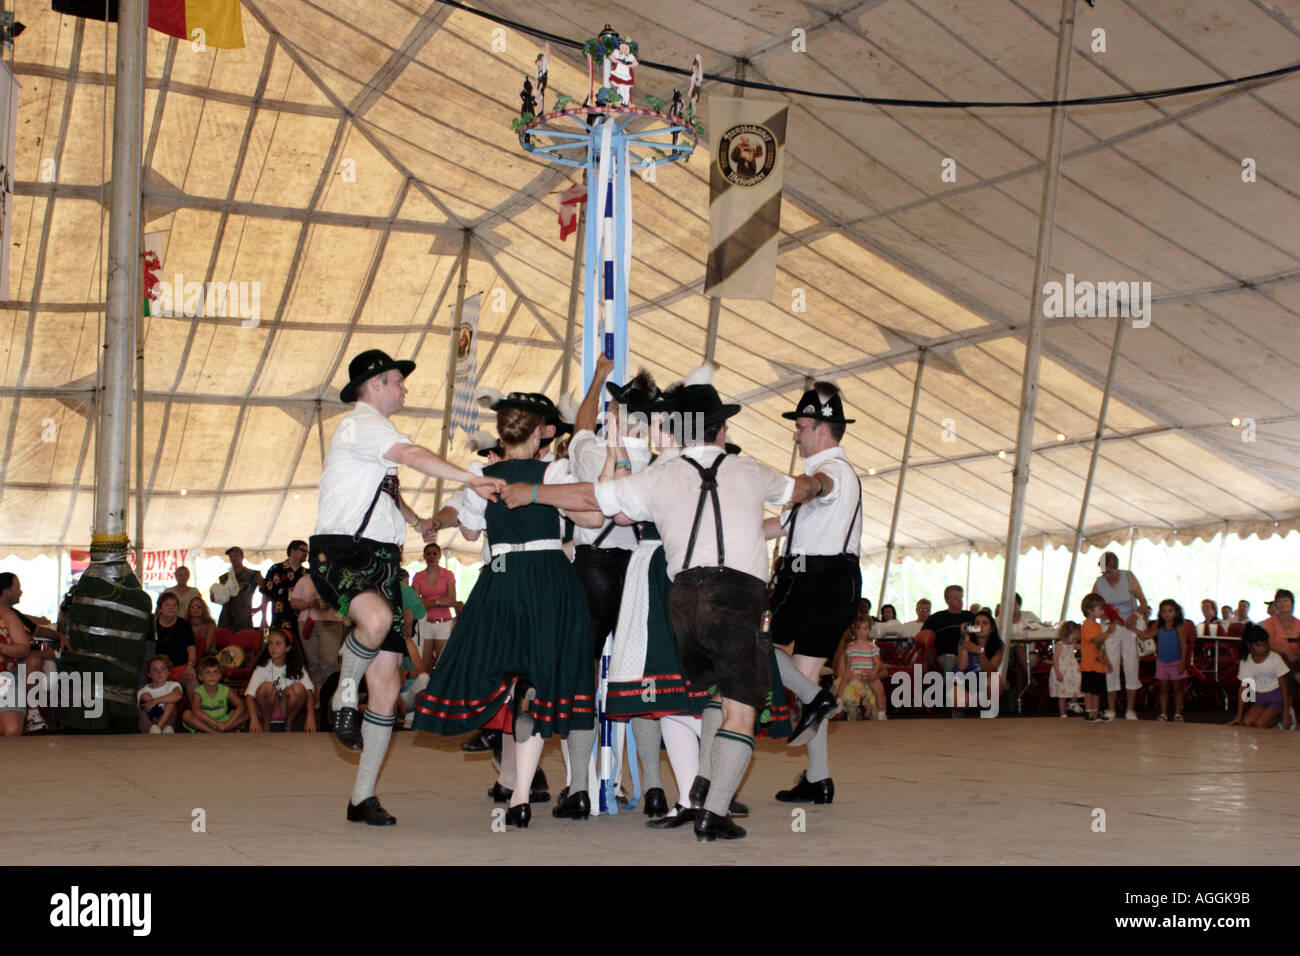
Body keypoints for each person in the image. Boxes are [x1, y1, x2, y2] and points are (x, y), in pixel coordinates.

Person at [503, 368, 827, 841]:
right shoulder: (747, 468)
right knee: (738, 708)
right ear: (719, 428)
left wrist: (534, 492)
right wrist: (822, 484)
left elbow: (599, 502)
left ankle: (676, 786)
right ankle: (712, 809)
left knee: (685, 695)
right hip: (732, 595)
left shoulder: (658, 475)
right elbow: (799, 490)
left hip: (677, 596)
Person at [311, 349, 504, 827]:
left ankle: (362, 798)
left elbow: (386, 490)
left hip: (381, 559)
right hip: (341, 551)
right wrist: (469, 479)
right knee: (374, 622)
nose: (404, 389)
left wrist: (418, 521)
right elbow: (412, 456)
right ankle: (341, 694)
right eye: (398, 381)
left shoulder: (373, 437)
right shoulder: (362, 425)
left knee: (389, 682)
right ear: (374, 383)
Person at [412, 391, 601, 830]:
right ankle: (521, 794)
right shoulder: (555, 469)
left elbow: (472, 530)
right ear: (542, 432)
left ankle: (515, 785)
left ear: (502, 431)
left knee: (505, 676)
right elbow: (593, 517)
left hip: (500, 578)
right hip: (549, 578)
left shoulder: (482, 472)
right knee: (538, 683)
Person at [552, 355, 660, 821]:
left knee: (581, 674)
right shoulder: (657, 461)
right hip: (642, 568)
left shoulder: (595, 451)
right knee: (642, 678)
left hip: (595, 565)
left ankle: (579, 788)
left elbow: (578, 425)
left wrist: (596, 378)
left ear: (617, 415)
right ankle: (653, 788)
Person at [766, 381, 861, 807]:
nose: (795, 434)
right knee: (802, 682)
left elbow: (819, 486)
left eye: (801, 426)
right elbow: (780, 529)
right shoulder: (825, 478)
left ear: (822, 429)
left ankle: (820, 700)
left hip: (814, 580)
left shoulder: (833, 473)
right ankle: (819, 779)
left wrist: (790, 487)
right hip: (829, 581)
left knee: (754, 648)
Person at [1092, 551, 1149, 720]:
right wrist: (1104, 615)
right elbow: (1092, 604)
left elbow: (1143, 602)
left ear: (1116, 567)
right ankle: (1111, 709)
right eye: (1103, 572)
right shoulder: (1099, 583)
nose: (1106, 575)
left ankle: (1130, 709)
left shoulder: (1128, 577)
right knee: (1111, 666)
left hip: (1130, 626)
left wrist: (1135, 615)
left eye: (1108, 571)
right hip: (1110, 627)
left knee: (1131, 665)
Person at [0, 573, 50, 737]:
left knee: (11, 730)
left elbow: (23, 649)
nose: (21, 592)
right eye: (18, 588)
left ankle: (32, 713)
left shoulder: (8, 615)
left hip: (5, 679)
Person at [245, 629, 315, 734]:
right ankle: (266, 725)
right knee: (267, 687)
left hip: (285, 707)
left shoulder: (297, 667)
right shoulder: (262, 668)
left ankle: (288, 725)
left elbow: (309, 691)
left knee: (299, 688)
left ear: (288, 648)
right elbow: (249, 696)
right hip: (267, 709)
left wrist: (311, 716)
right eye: (270, 643)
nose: (273, 647)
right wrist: (253, 719)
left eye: (278, 643)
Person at [289, 572, 346, 696]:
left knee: (329, 662)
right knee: (312, 661)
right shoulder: (304, 580)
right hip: (307, 623)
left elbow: (347, 600)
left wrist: (331, 602)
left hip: (332, 622)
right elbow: (293, 603)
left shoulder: (337, 578)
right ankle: (318, 694)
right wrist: (309, 604)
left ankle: (329, 694)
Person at [1136, 599, 1191, 722]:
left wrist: (1182, 662)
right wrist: (1133, 629)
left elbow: (1184, 645)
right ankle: (1163, 713)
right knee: (1163, 688)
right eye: (1164, 611)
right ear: (1160, 613)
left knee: (1177, 688)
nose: (1167, 614)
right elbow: (1147, 635)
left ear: (1176, 613)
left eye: (1170, 611)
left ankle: (1177, 713)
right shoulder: (1159, 626)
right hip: (1162, 662)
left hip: (1176, 662)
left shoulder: (1179, 626)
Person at [1229, 625, 1290, 728]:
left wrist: (1286, 711)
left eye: (1265, 644)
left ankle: (1280, 717)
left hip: (1276, 697)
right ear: (1249, 645)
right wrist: (1239, 716)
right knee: (1247, 723)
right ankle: (1273, 721)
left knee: (1259, 724)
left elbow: (1284, 686)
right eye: (1259, 645)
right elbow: (1243, 689)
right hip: (1259, 698)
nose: (1263, 649)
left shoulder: (1274, 658)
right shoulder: (1246, 662)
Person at [412, 543, 458, 671]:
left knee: (442, 664)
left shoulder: (448, 574)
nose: (431, 556)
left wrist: (426, 602)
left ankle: (440, 690)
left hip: (444, 624)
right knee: (424, 664)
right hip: (424, 623)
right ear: (424, 556)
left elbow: (451, 600)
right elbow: (416, 604)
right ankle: (426, 690)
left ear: (439, 556)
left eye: (434, 553)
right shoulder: (418, 576)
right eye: (428, 553)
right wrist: (438, 602)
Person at [833, 615, 887, 720]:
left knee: (880, 691)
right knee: (844, 679)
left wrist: (874, 673)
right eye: (859, 628)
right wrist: (848, 673)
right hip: (855, 671)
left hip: (868, 672)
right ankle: (838, 701)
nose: (861, 632)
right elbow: (848, 663)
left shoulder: (872, 646)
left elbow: (877, 663)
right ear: (854, 630)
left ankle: (882, 712)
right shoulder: (850, 646)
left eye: (865, 629)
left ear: (869, 630)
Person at [953, 609, 1004, 711]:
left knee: (996, 680)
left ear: (991, 628)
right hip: (962, 679)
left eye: (984, 623)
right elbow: (962, 666)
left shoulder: (998, 645)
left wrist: (980, 652)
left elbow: (990, 672)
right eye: (977, 623)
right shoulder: (965, 641)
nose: (980, 626)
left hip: (983, 679)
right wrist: (966, 637)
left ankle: (989, 711)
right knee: (962, 702)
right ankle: (971, 703)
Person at [183, 656, 248, 733]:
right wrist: (216, 723)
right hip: (206, 722)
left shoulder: (226, 690)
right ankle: (215, 732)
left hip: (224, 722)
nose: (212, 675)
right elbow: (196, 711)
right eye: (208, 672)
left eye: (215, 672)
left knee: (248, 712)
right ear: (200, 677)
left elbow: (241, 705)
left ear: (220, 676)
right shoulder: (198, 692)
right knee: (186, 714)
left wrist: (227, 723)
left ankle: (225, 728)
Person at [917, 585, 974, 673]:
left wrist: (968, 629)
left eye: (961, 597)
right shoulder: (936, 617)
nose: (960, 600)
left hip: (969, 653)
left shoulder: (970, 616)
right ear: (947, 600)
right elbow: (921, 638)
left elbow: (981, 631)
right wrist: (925, 658)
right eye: (956, 598)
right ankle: (950, 686)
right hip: (947, 655)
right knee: (949, 661)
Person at [260, 541, 309, 640]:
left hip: (301, 622)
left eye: (307, 551)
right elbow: (266, 595)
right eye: (303, 550)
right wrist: (263, 619)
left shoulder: (307, 574)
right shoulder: (276, 569)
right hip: (279, 620)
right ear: (292, 551)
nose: (306, 553)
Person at [152, 592, 197, 696]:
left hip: (180, 667)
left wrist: (190, 665)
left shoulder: (184, 625)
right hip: (158, 669)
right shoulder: (153, 625)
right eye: (167, 605)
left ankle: (197, 710)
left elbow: (191, 648)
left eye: (174, 605)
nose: (171, 608)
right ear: (160, 609)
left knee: (191, 678)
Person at [1079, 594, 1114, 723]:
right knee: (1089, 690)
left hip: (1098, 664)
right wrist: (1108, 632)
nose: (1103, 612)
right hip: (1089, 664)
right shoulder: (1087, 625)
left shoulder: (1098, 626)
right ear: (1090, 610)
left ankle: (1096, 711)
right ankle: (1089, 711)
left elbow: (1101, 647)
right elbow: (1095, 640)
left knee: (1097, 690)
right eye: (1100, 609)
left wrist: (1107, 662)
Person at [211, 547, 265, 631]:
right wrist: (215, 597)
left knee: (244, 642)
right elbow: (215, 597)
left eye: (236, 555)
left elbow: (267, 591)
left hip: (244, 618)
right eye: (231, 556)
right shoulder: (224, 578)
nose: (233, 558)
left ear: (242, 557)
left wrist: (260, 607)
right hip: (226, 619)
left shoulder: (253, 574)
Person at [137, 655, 182, 733]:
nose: (159, 672)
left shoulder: (173, 685)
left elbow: (178, 696)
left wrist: (155, 701)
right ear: (149, 674)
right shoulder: (143, 690)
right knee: (145, 696)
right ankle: (158, 727)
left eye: (163, 669)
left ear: (168, 672)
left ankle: (158, 727)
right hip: (148, 725)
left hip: (168, 725)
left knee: (172, 699)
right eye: (155, 670)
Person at [1049, 621, 1082, 717]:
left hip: (1072, 669)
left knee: (1077, 683)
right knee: (1062, 692)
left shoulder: (1072, 644)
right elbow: (1055, 659)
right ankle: (1062, 712)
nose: (1075, 641)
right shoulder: (1060, 645)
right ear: (1066, 634)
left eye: (1077, 639)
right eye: (1074, 638)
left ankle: (1073, 702)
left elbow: (1080, 647)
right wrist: (1057, 672)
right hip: (1062, 669)